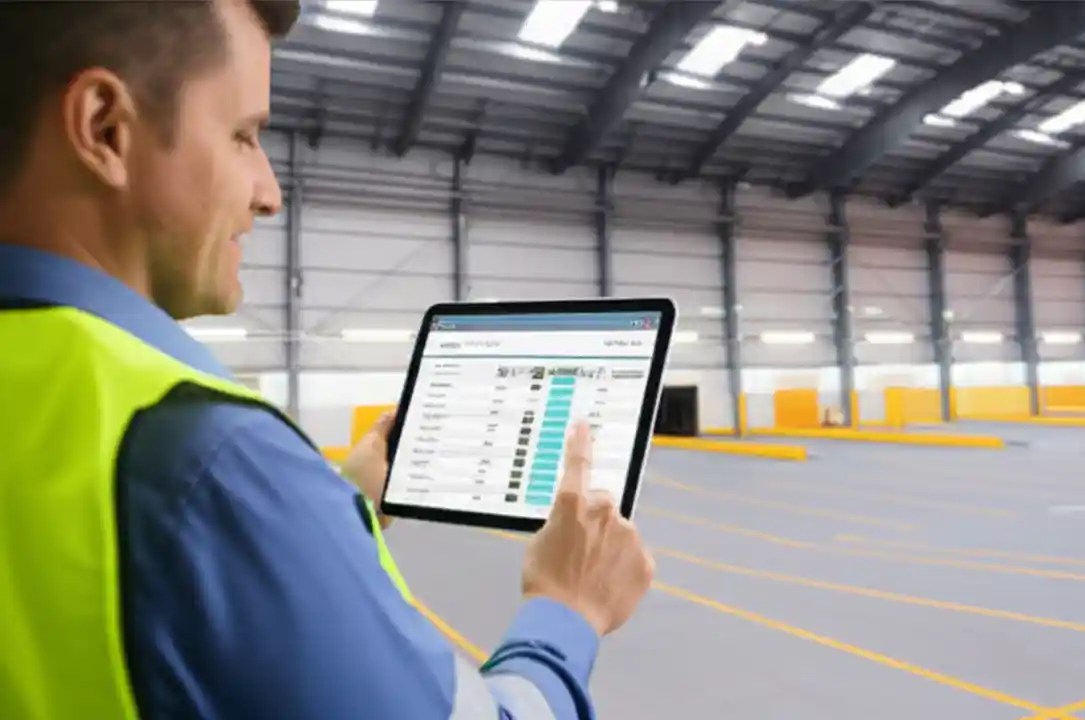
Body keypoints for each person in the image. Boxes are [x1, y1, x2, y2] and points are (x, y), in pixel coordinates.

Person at [0, 1, 654, 718]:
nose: (269, 194)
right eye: (243, 136)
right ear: (105, 128)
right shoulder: (209, 457)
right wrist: (565, 611)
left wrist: (344, 499)